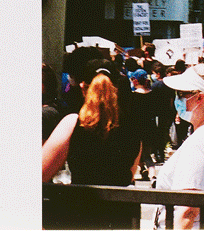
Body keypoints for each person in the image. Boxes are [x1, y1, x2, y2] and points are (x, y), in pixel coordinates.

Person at [43, 71, 141, 228]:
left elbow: (42, 172)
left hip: (79, 215)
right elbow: (130, 175)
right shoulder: (133, 130)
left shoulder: (72, 124)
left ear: (83, 88)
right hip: (118, 218)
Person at [147, 63, 204, 230]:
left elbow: (188, 209)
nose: (178, 99)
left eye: (182, 94)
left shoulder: (200, 141)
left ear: (199, 97)